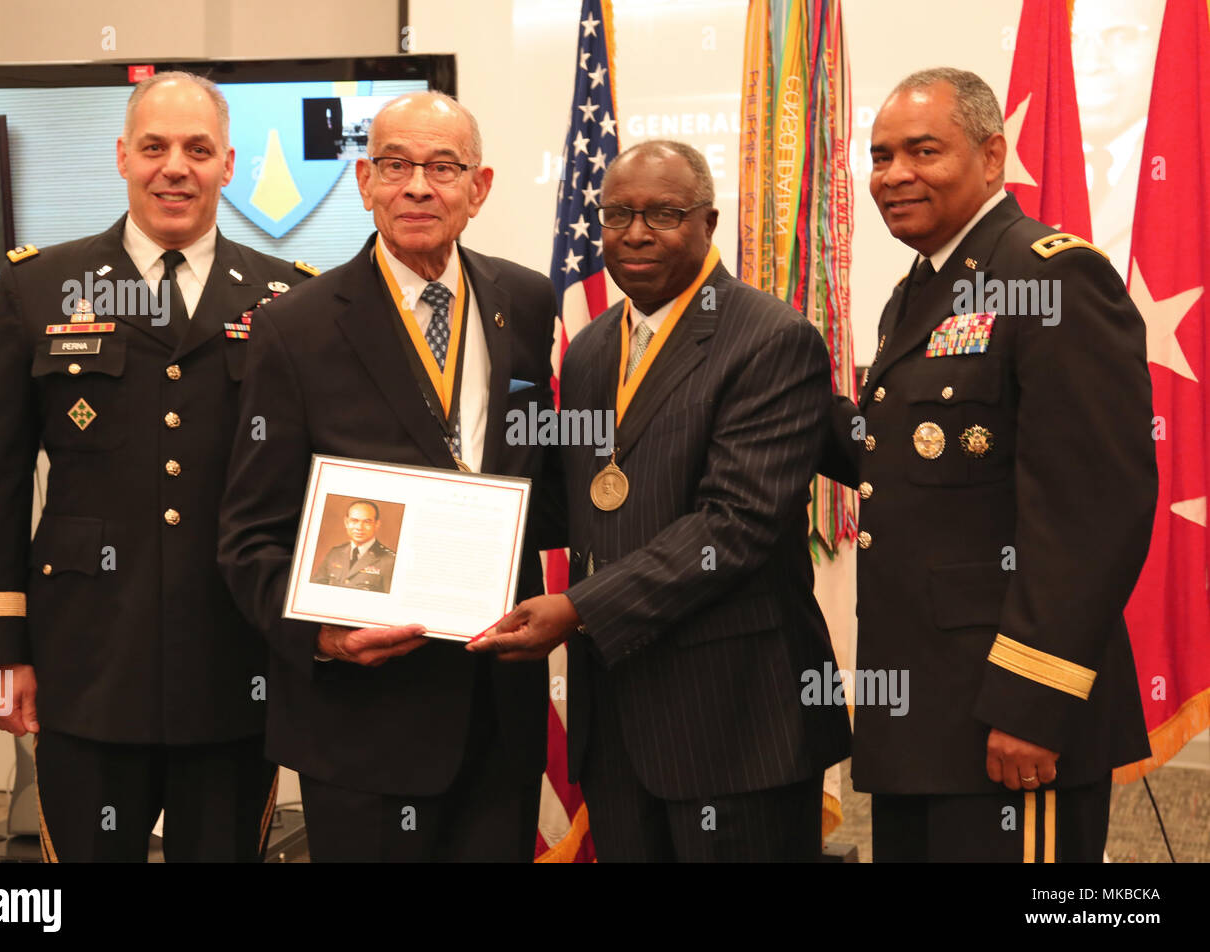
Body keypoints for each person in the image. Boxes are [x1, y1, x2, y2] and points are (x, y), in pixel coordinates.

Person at [0, 72, 315, 862]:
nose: (174, 167)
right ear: (122, 156)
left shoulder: (288, 302)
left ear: (229, 165)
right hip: (86, 662)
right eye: (154, 147)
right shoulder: (38, 286)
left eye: (197, 149)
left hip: (236, 665)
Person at [470, 140, 851, 862]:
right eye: (617, 215)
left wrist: (579, 607)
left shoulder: (770, 339)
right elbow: (578, 503)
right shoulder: (589, 351)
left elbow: (733, 526)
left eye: (663, 214)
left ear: (708, 221)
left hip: (737, 724)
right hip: (615, 722)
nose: (636, 234)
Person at [820, 68, 1155, 862]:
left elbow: (1090, 512)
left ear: (992, 153)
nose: (893, 175)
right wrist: (782, 391)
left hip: (1009, 721)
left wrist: (1034, 701)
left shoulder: (1050, 276)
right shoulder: (919, 290)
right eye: (880, 156)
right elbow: (899, 461)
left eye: (923, 150)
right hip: (926, 723)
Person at [218, 92, 561, 862]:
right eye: (396, 165)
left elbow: (536, 479)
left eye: (443, 166)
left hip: (498, 710)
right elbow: (250, 536)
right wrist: (324, 639)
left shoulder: (527, 301)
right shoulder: (295, 326)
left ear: (481, 187)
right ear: (367, 180)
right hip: (362, 721)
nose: (417, 187)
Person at [311, 499, 397, 593]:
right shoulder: (335, 554)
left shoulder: (390, 561)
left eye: (367, 522)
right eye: (354, 521)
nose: (359, 527)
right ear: (346, 522)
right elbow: (315, 590)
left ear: (377, 524)